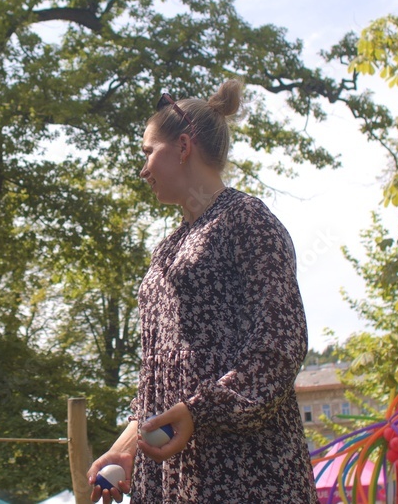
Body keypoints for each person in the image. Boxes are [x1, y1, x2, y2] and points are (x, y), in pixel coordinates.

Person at [87, 80, 319, 503]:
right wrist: (127, 446)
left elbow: (280, 345)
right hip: (172, 482)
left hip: (248, 477)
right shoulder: (166, 249)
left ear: (183, 146)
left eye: (147, 152)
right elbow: (156, 375)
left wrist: (200, 411)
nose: (142, 170)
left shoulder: (248, 221)